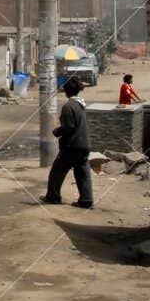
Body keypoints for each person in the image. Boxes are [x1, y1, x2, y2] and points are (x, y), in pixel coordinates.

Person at [43, 77, 94, 208]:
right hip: (84, 145)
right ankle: (86, 200)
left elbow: (69, 127)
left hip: (72, 146)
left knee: (57, 172)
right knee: (82, 173)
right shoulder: (80, 104)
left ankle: (53, 197)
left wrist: (57, 131)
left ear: (66, 92)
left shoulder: (68, 106)